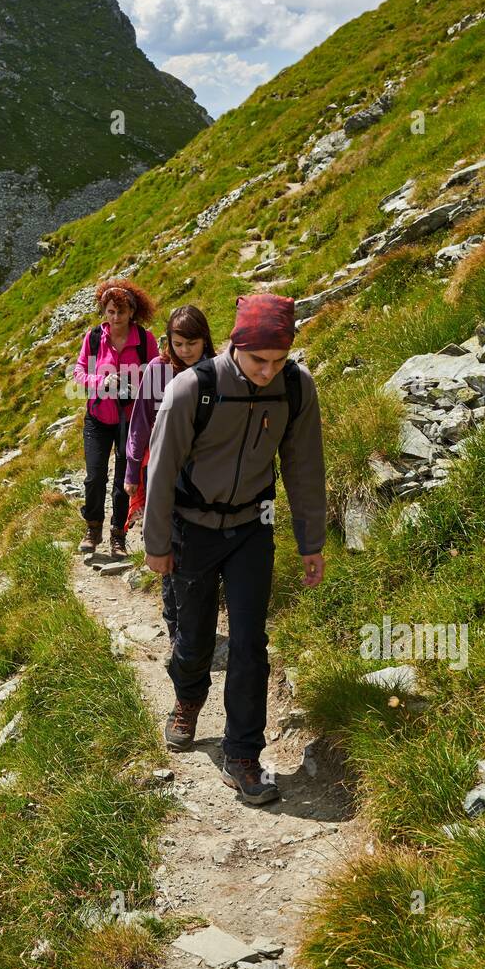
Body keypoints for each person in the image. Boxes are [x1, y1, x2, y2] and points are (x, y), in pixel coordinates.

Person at [142, 291, 327, 806]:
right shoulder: (190, 389)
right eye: (258, 360)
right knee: (195, 635)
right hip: (191, 530)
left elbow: (304, 465)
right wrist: (157, 544)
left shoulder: (295, 387)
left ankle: (243, 755)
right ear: (234, 345)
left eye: (279, 359)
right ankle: (187, 697)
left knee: (249, 642)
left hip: (252, 527)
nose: (269, 371)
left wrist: (311, 541)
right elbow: (159, 472)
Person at [123, 305, 216, 655]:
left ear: (204, 339)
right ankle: (176, 627)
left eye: (193, 342)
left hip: (207, 480)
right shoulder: (158, 371)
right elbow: (140, 424)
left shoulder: (218, 371)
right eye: (179, 343)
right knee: (169, 552)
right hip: (163, 477)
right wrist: (133, 473)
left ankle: (198, 622)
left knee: (202, 552)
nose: (186, 350)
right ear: (169, 341)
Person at [73, 279, 159, 557]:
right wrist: (102, 381)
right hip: (98, 418)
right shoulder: (94, 338)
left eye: (121, 312)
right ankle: (93, 526)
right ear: (104, 311)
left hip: (132, 421)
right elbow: (78, 374)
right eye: (110, 311)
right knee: (94, 476)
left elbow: (158, 377)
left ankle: (118, 535)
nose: (115, 317)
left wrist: (136, 386)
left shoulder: (146, 341)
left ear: (132, 312)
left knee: (125, 480)